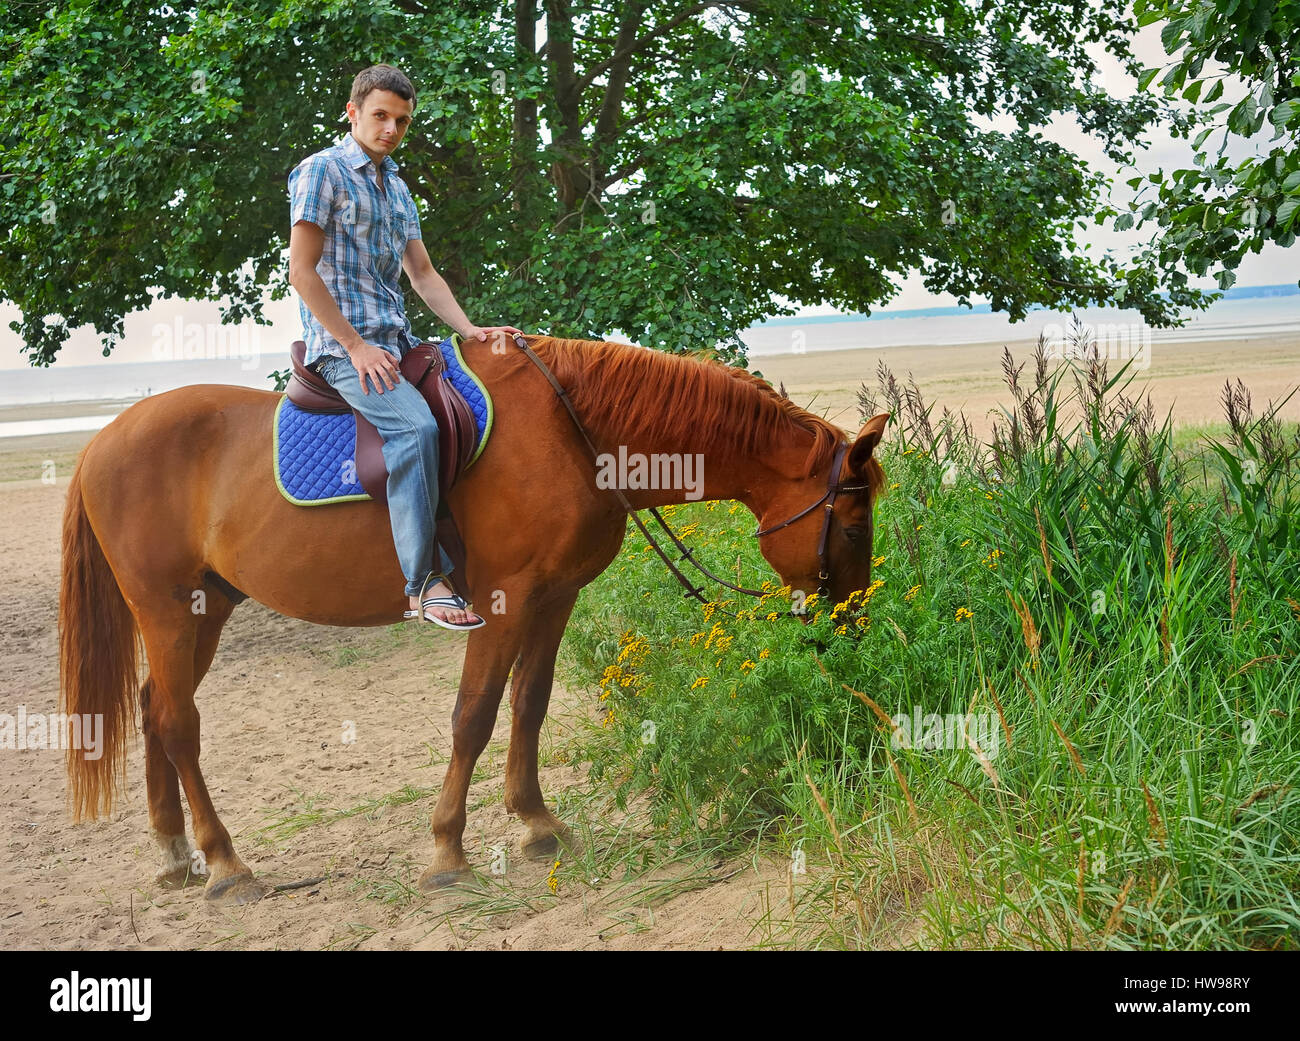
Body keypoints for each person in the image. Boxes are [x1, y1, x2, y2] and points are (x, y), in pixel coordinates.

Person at [287, 64, 521, 630]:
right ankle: (425, 583)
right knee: (415, 429)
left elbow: (423, 273)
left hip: (399, 340)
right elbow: (302, 271)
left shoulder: (397, 186)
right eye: (380, 116)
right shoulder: (322, 172)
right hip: (342, 350)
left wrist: (470, 332)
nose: (391, 129)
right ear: (353, 112)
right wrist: (355, 347)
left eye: (402, 121)